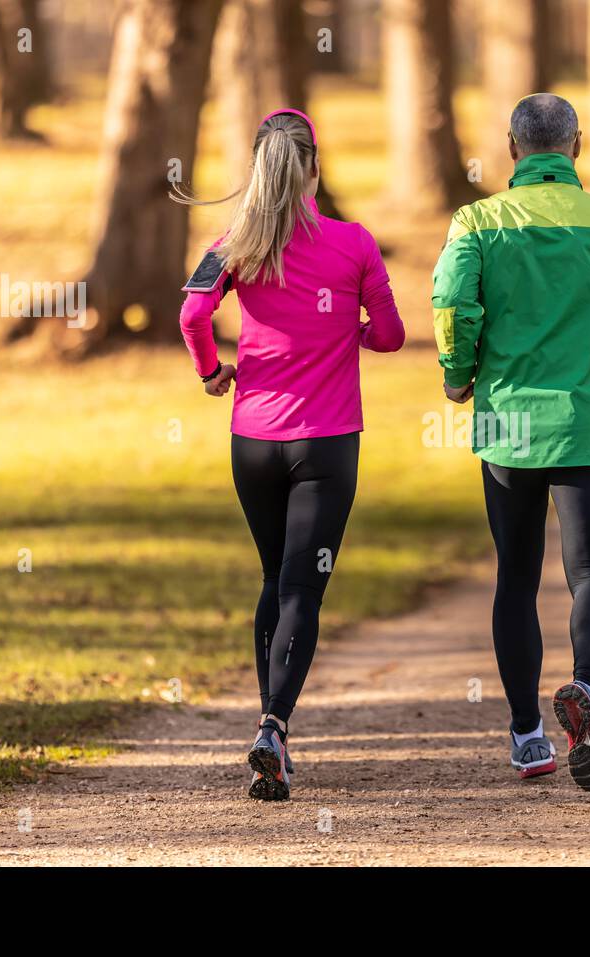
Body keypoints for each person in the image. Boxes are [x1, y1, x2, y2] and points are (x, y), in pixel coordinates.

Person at [431, 94, 590, 792]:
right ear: (579, 146)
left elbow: (453, 303)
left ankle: (527, 736)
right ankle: (588, 690)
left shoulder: (476, 222)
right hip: (587, 420)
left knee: (516, 575)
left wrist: (458, 377)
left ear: (513, 149)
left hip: (507, 422)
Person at [177, 109, 405, 801]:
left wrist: (211, 371)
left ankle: (269, 731)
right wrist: (354, 334)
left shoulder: (233, 242)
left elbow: (191, 314)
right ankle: (275, 723)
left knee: (275, 578)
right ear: (314, 167)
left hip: (253, 442)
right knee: (303, 588)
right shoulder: (354, 242)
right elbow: (391, 335)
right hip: (325, 445)